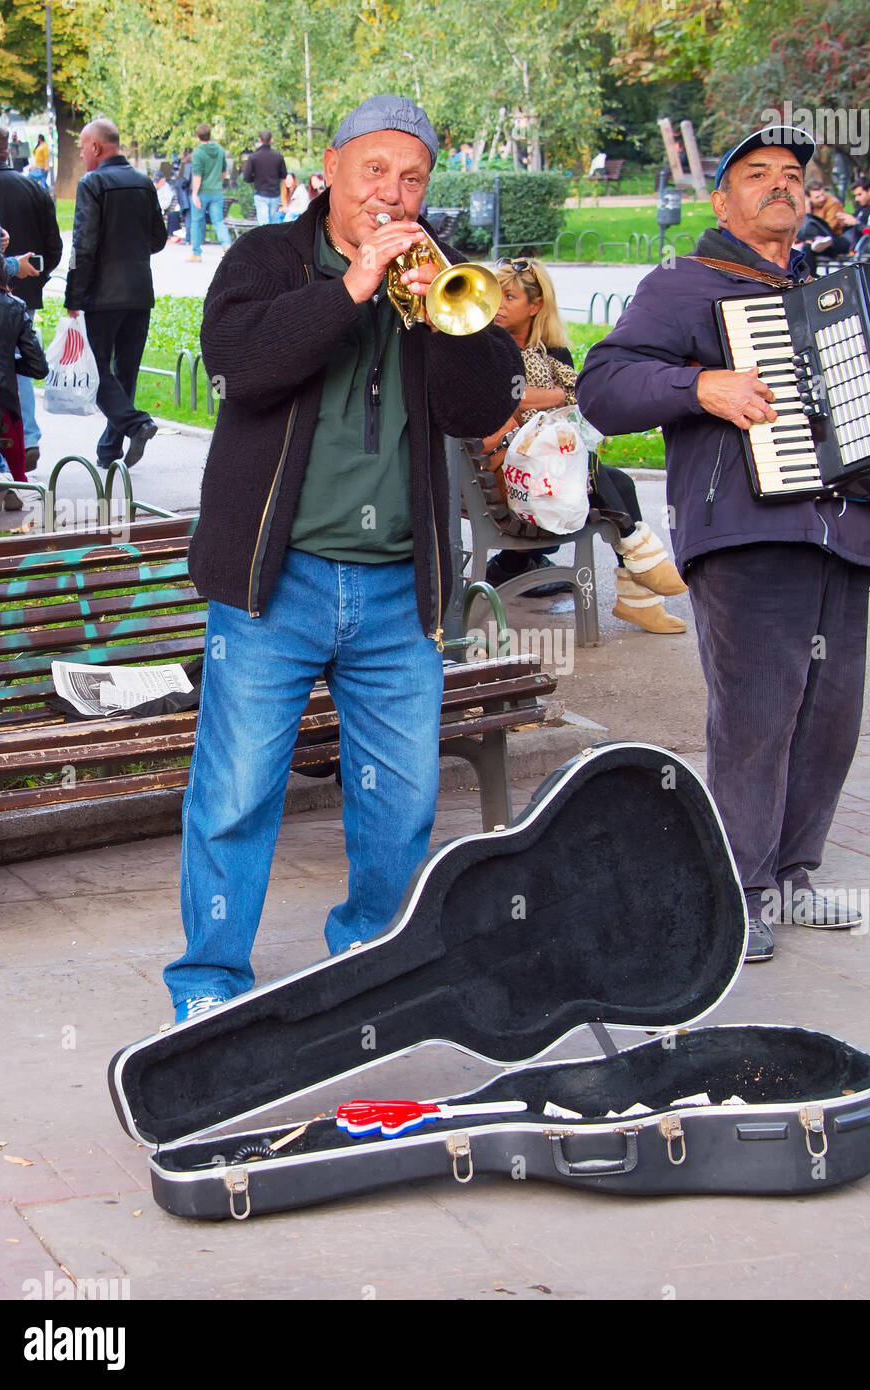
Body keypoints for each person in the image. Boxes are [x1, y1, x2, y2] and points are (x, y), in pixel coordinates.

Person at [576, 124, 870, 964]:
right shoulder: (686, 284)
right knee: (756, 717)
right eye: (757, 175)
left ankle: (790, 874)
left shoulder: (838, 289)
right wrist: (700, 384)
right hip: (748, 532)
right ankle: (737, 891)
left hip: (845, 536)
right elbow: (603, 386)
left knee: (829, 716)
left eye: (791, 174)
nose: (779, 185)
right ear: (721, 200)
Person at [162, 94, 522, 1024]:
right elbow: (241, 368)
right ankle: (209, 985)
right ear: (329, 168)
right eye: (375, 172)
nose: (393, 193)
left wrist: (447, 316)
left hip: (400, 587)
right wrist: (352, 287)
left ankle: (372, 960)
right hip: (274, 583)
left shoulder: (439, 273)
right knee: (237, 794)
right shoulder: (265, 261)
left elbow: (481, 410)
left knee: (400, 803)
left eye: (412, 178)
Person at [479, 257, 687, 634]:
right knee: (604, 478)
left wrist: (548, 399)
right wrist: (557, 396)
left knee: (616, 480)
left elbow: (585, 397)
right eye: (497, 296)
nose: (500, 305)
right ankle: (642, 569)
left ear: (536, 306)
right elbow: (511, 397)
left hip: (551, 464)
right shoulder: (487, 346)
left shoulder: (553, 353)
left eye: (510, 297)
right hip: (513, 475)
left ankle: (640, 591)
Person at [64, 118, 167, 471]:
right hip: (139, 292)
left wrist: (73, 296)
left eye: (82, 146)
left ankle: (136, 424)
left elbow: (83, 245)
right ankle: (110, 450)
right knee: (126, 372)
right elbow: (159, 238)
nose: (80, 153)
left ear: (96, 147)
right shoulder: (143, 183)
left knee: (93, 372)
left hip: (102, 295)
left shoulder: (92, 183)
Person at [0, 124, 53, 469]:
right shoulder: (27, 189)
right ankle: (13, 456)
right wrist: (18, 268)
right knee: (4, 371)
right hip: (1, 303)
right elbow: (52, 244)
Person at [0, 246, 47, 512]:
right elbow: (38, 367)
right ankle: (10, 480)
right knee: (6, 426)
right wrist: (6, 361)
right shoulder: (14, 307)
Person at [186, 122, 231, 262]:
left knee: (196, 221)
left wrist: (194, 193)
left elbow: (197, 175)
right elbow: (224, 172)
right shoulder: (220, 150)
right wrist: (217, 181)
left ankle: (196, 253)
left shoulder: (198, 153)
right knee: (218, 220)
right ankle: (227, 244)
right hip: (217, 191)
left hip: (202, 192)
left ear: (198, 136)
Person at [793, 179, 852, 272]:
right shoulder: (806, 205)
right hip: (812, 240)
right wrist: (806, 211)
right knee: (800, 247)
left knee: (806, 248)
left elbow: (828, 227)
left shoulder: (832, 203)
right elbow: (798, 229)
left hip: (833, 239)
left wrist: (808, 216)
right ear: (808, 198)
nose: (822, 199)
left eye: (822, 194)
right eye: (817, 197)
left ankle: (809, 277)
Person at [243, 130, 287, 226]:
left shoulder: (253, 157)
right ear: (271, 140)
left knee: (263, 223)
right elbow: (284, 175)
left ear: (259, 140)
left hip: (261, 193)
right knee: (272, 223)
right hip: (275, 194)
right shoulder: (278, 156)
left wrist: (255, 179)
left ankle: (265, 240)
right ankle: (272, 241)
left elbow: (246, 177)